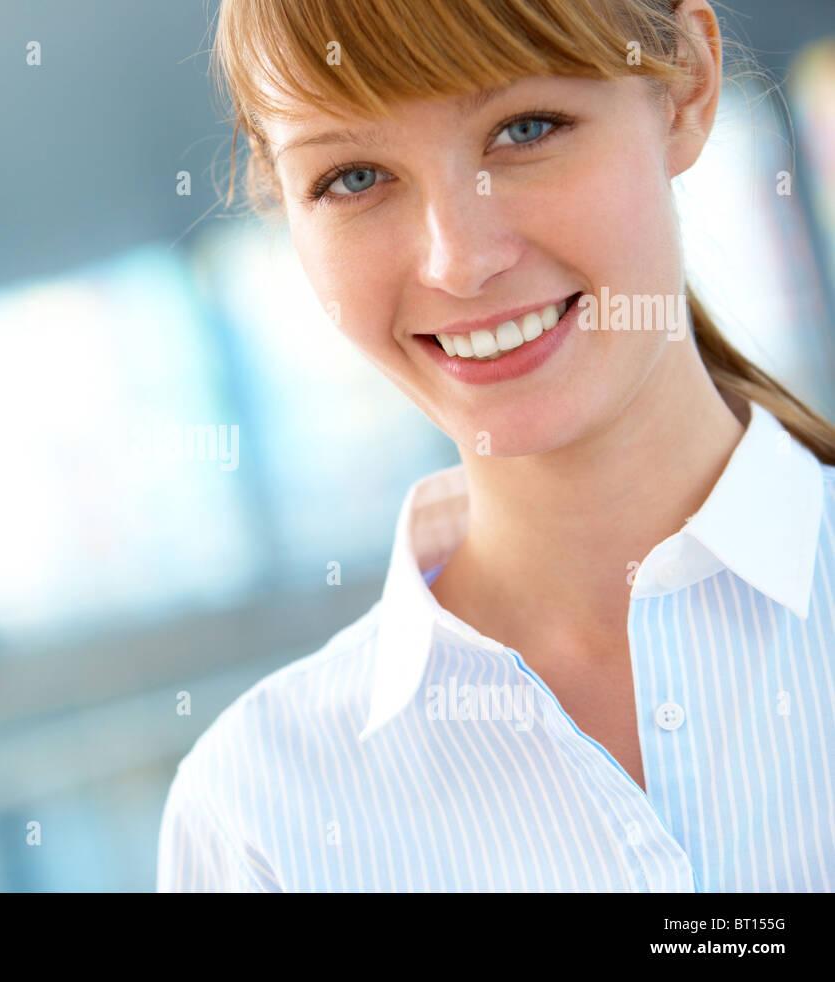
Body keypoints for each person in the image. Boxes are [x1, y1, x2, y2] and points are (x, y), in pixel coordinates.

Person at [157, 0, 835, 891]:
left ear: (688, 90)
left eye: (525, 128)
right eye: (354, 178)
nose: (457, 260)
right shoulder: (256, 817)